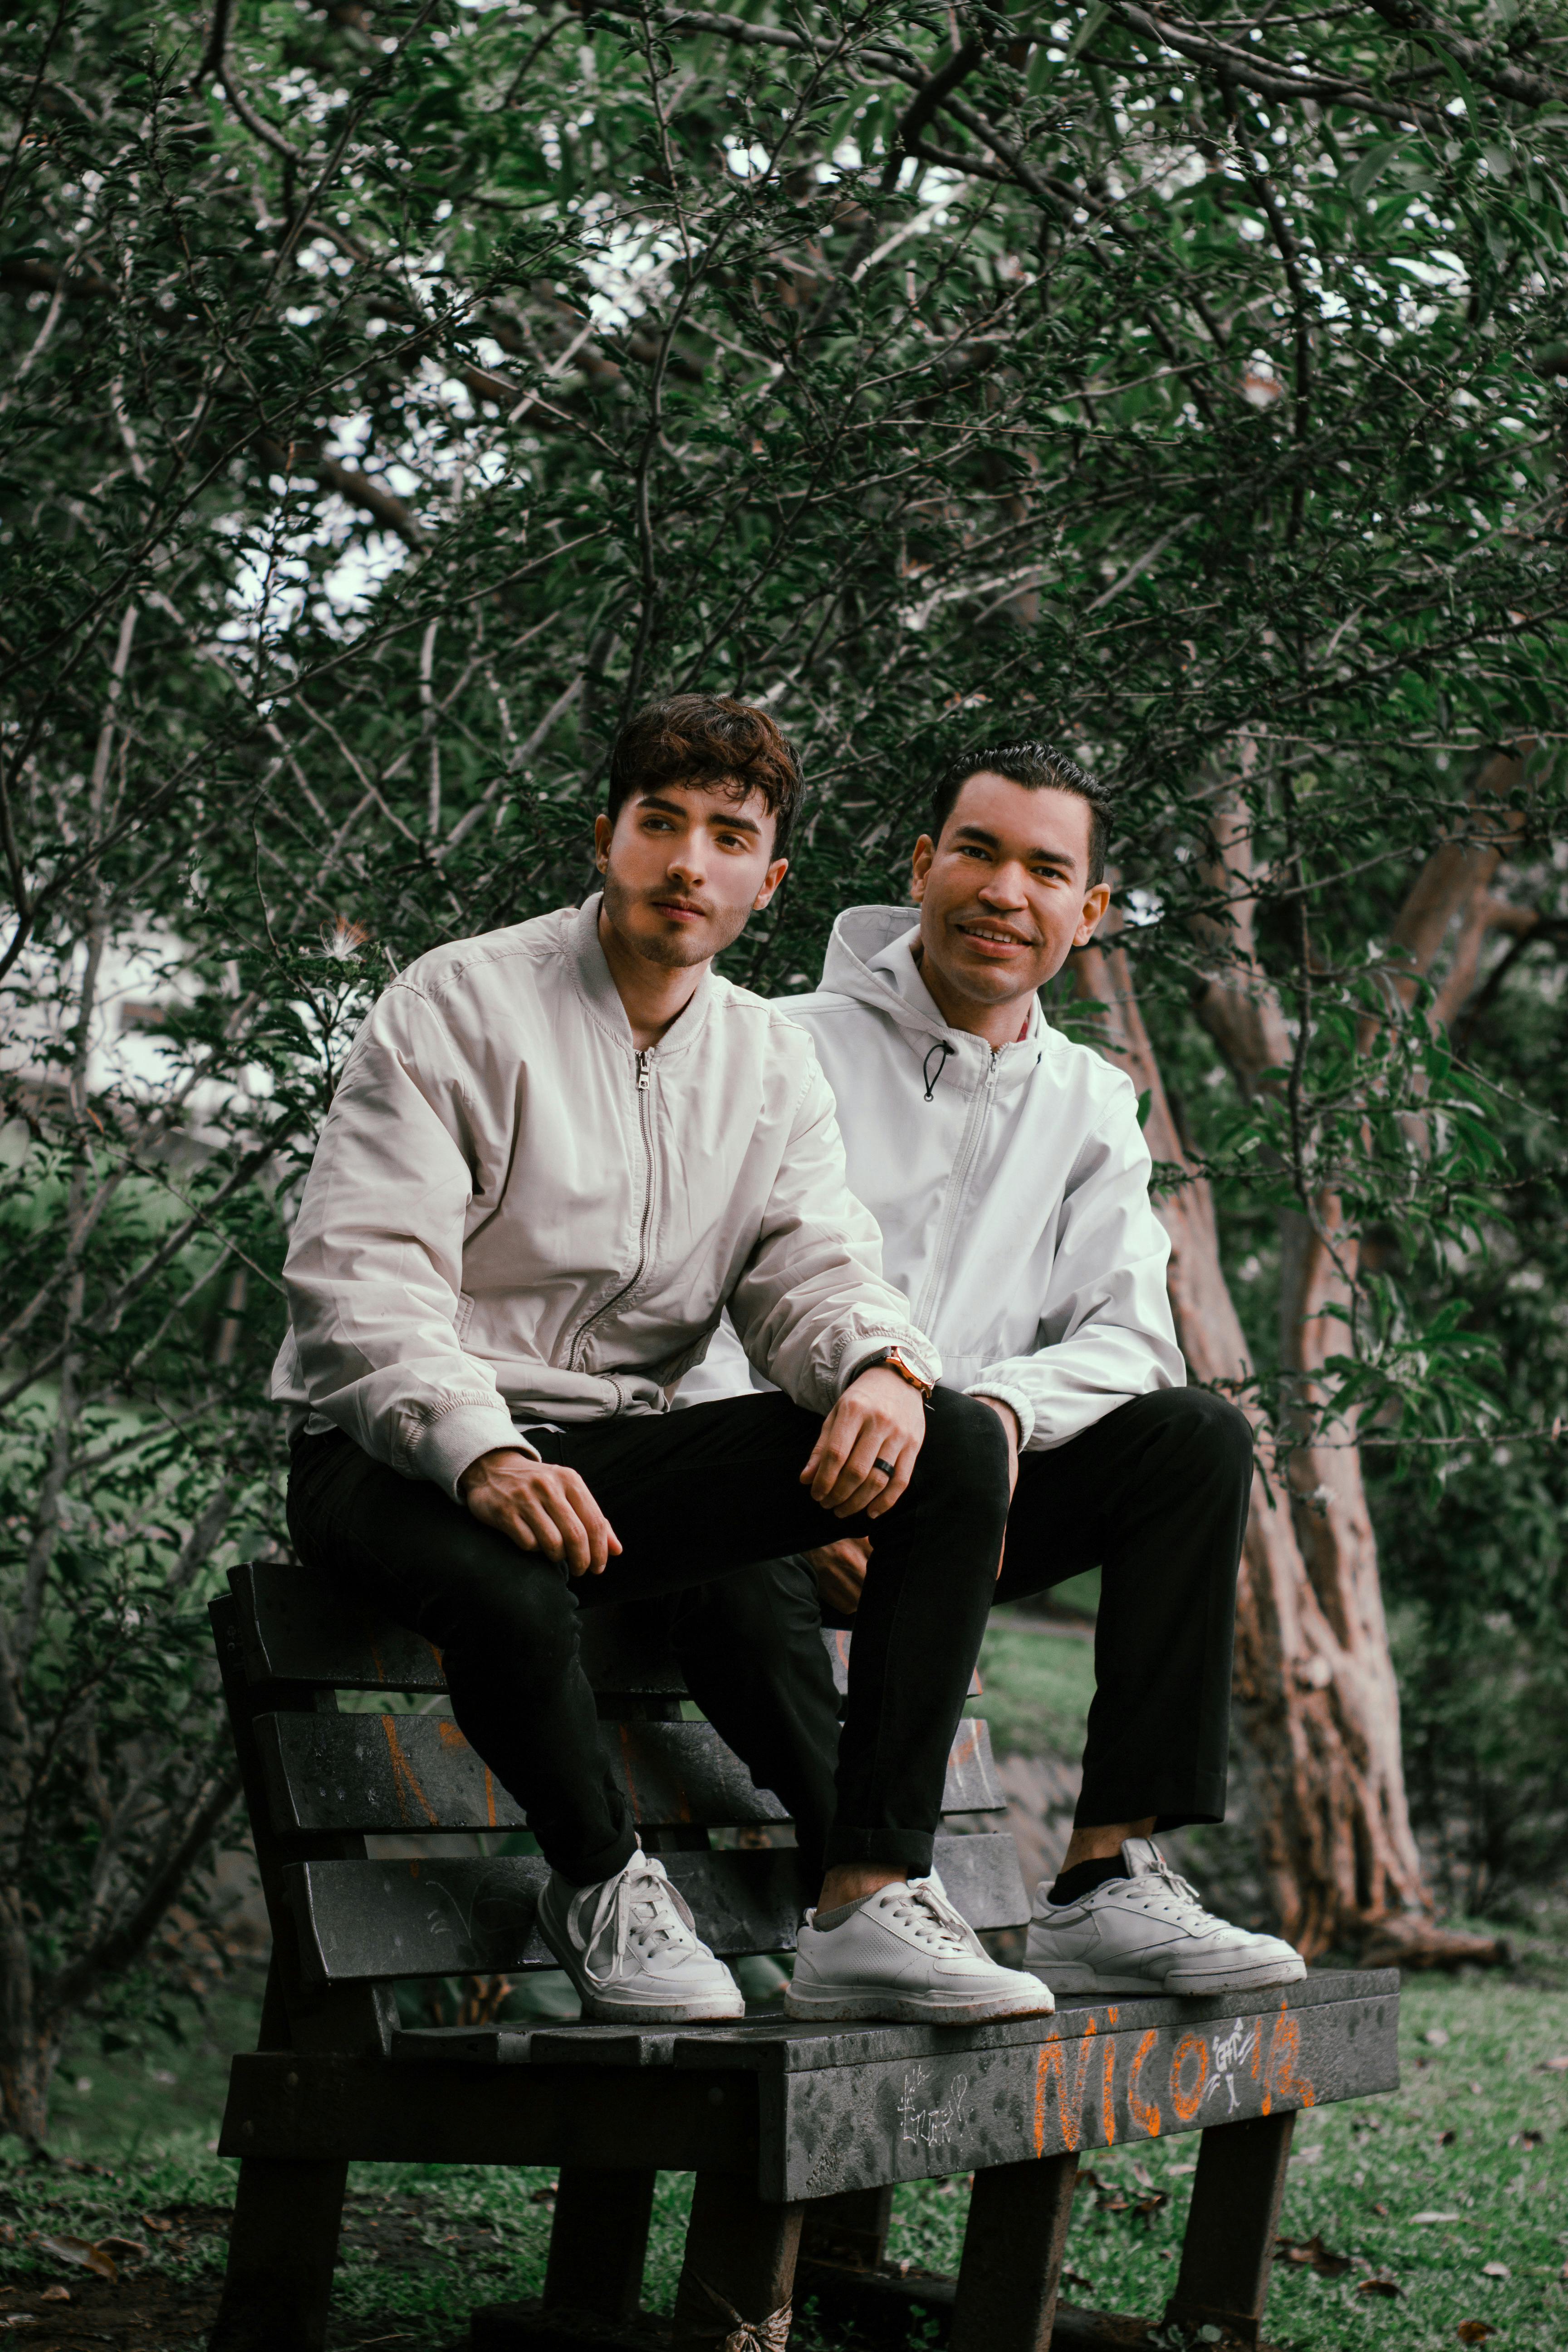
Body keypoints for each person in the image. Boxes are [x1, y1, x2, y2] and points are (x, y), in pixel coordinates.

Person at [272, 696, 1052, 2029]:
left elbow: (815, 1266)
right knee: (518, 1590)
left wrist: (875, 1362)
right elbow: (362, 1286)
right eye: (662, 823)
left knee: (957, 1437)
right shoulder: (458, 1003)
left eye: (730, 836)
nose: (692, 861)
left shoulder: (767, 1060)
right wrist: (482, 1447)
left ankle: (868, 1895)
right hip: (393, 1456)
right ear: (609, 838)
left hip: (615, 1459)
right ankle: (599, 1880)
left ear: (769, 878)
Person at [677, 739, 1305, 1999]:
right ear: (922, 865)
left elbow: (1134, 1340)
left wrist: (999, 1417)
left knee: (1195, 1440)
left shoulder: (1089, 1100)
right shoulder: (774, 1045)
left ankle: (1106, 1880)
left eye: (1045, 868)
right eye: (978, 850)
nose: (1004, 891)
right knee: (724, 1575)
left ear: (1091, 911)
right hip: (773, 1494)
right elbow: (678, 1303)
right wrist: (791, 1500)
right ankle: (867, 1892)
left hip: (967, 1502)